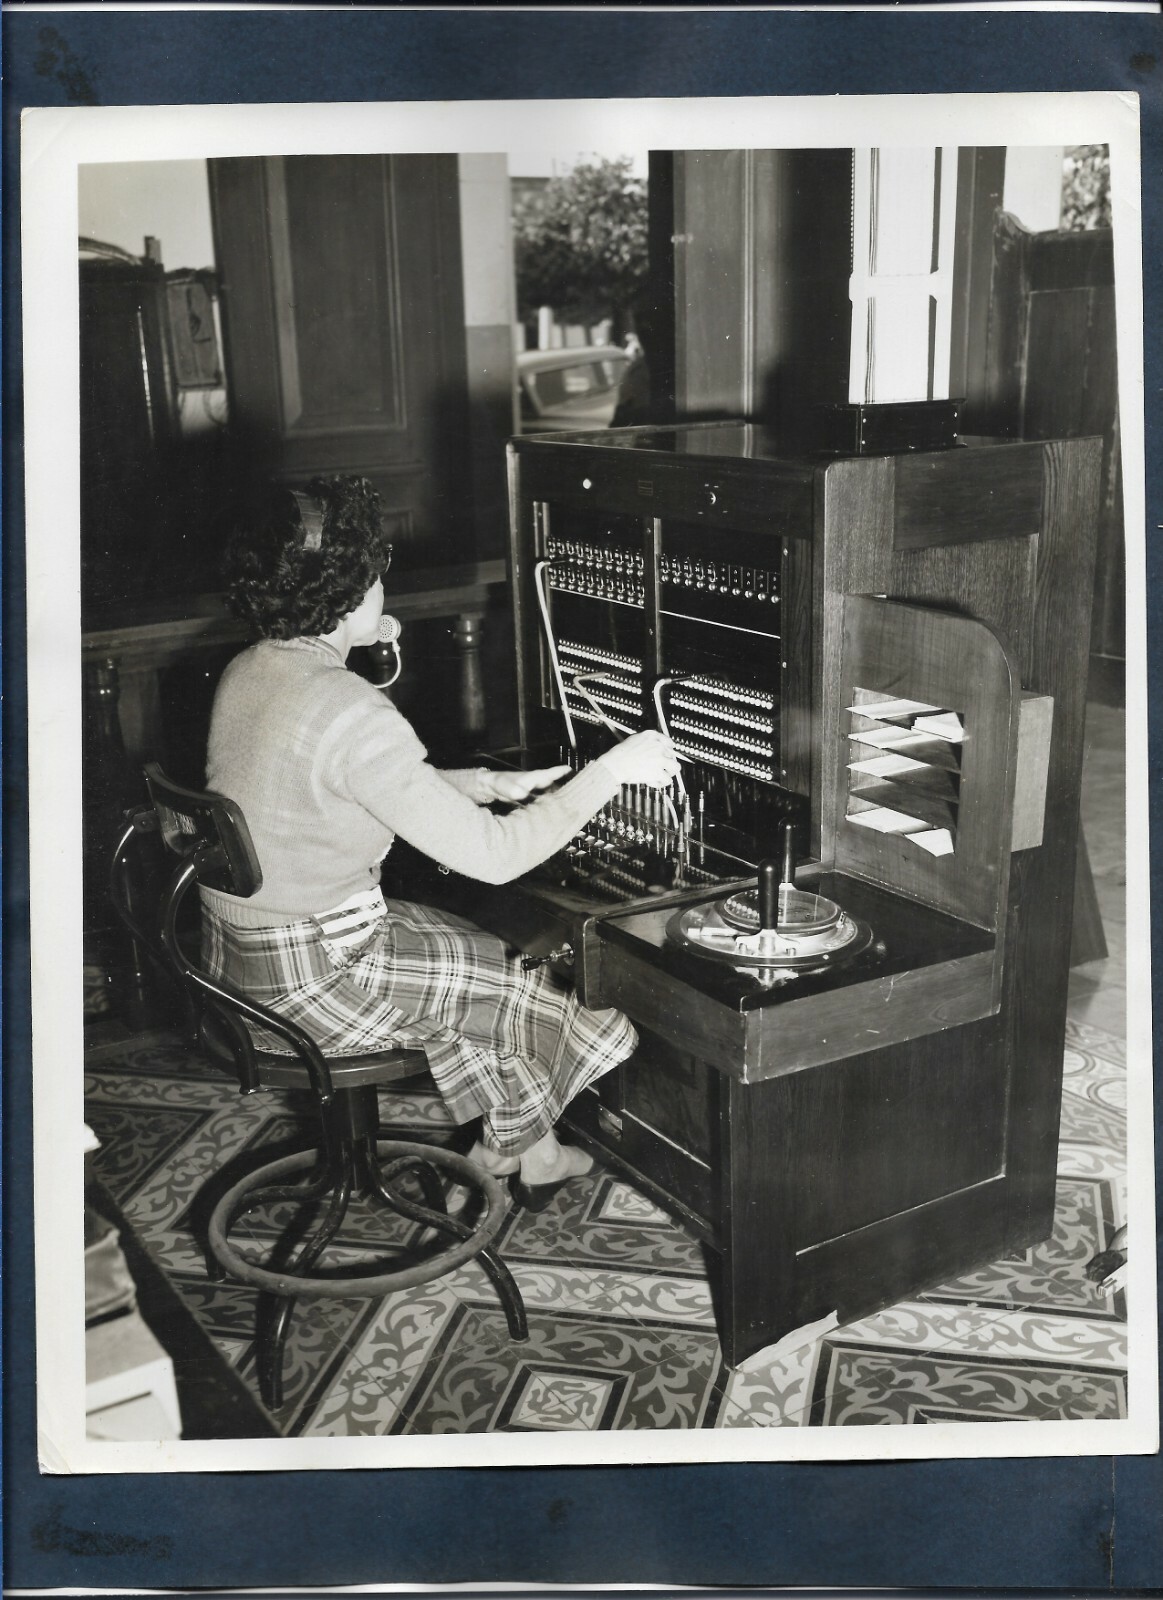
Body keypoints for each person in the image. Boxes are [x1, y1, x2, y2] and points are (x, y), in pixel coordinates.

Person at [202, 475, 680, 1210]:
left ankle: (538, 1152)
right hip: (318, 979)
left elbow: (308, 788)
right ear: (351, 589)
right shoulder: (348, 705)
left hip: (238, 959)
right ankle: (504, 1148)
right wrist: (612, 773)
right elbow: (496, 859)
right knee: (550, 988)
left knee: (488, 969)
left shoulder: (252, 669)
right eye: (376, 573)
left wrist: (465, 785)